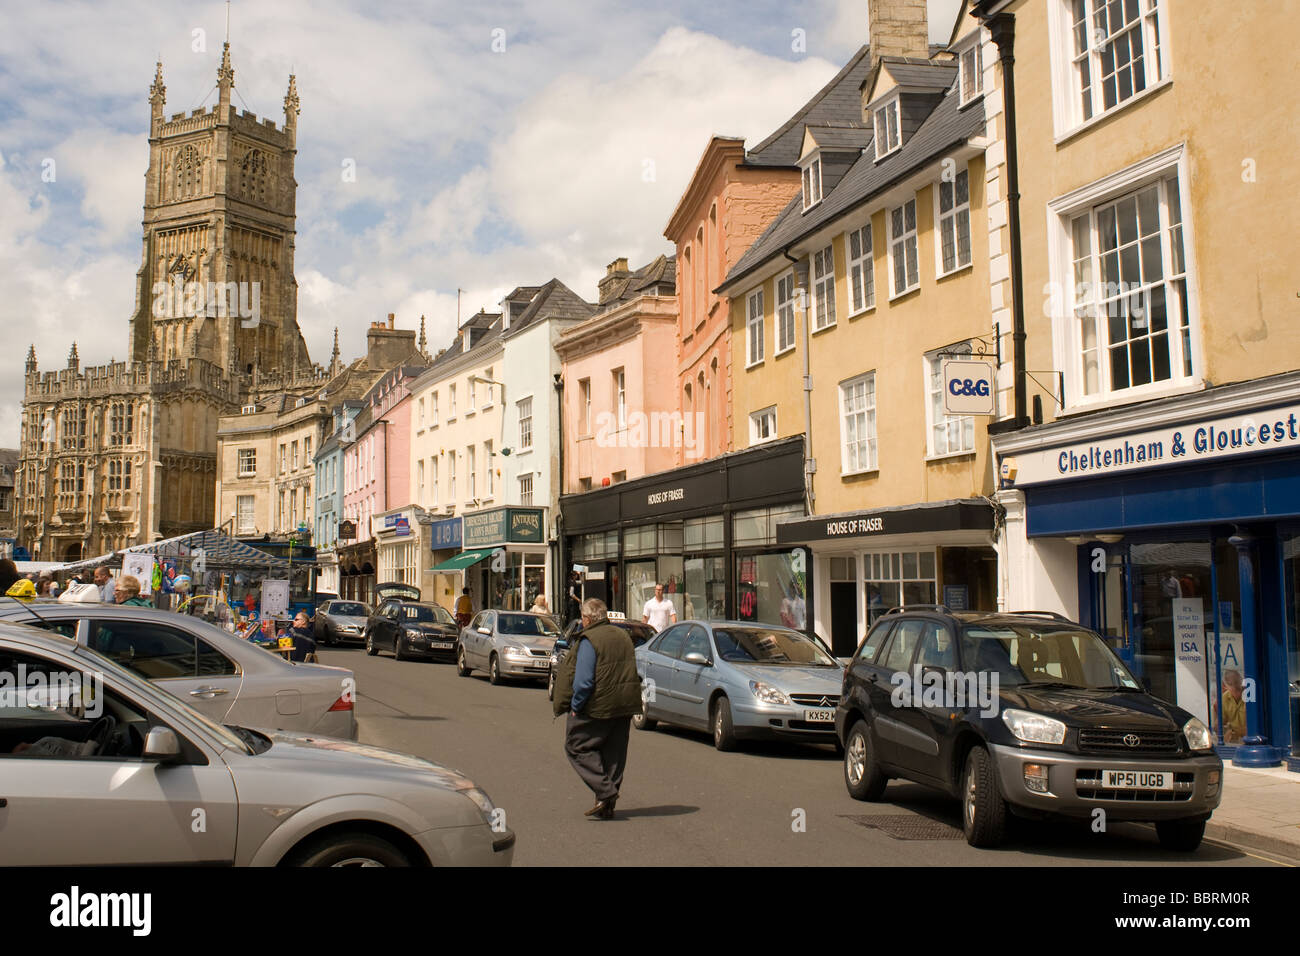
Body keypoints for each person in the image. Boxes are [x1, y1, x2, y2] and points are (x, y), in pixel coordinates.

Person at [552, 597, 643, 820]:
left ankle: (606, 792)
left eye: (583, 618)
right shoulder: (623, 636)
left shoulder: (589, 640)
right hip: (624, 704)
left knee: (576, 746)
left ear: (587, 618)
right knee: (614, 754)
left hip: (597, 706)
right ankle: (606, 805)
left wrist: (575, 706)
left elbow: (583, 681)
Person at [1222, 669, 1247, 744]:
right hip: (1234, 740)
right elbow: (1221, 723)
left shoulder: (1250, 695)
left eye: (1236, 682)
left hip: (1250, 738)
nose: (1234, 686)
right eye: (1230, 684)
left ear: (1241, 681)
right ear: (1225, 686)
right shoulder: (1224, 698)